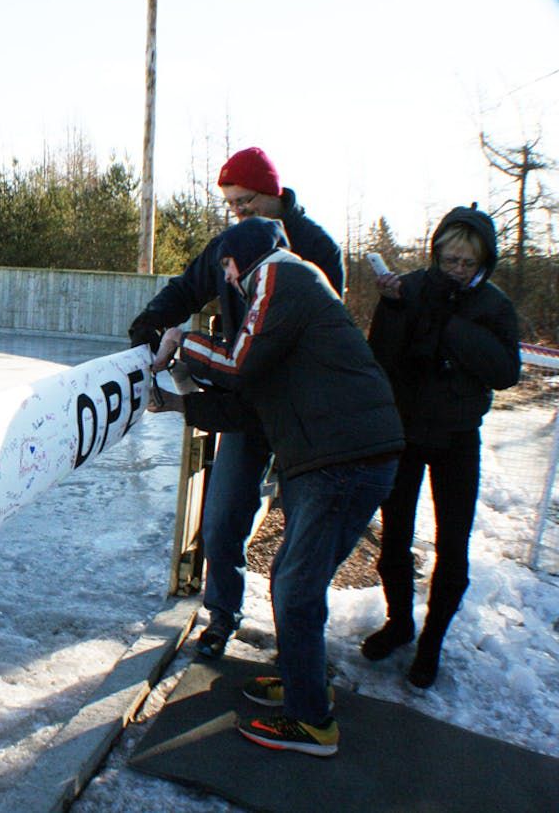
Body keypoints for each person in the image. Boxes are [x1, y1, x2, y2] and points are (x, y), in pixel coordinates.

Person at [148, 217, 403, 756]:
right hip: (346, 457)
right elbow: (246, 401)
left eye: (224, 268)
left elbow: (237, 366)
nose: (225, 280)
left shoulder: (278, 275)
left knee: (294, 587)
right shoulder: (289, 293)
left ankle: (312, 721)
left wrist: (183, 340)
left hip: (341, 460)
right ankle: (299, 678)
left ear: (237, 259)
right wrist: (174, 402)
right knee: (295, 578)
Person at [129, 146, 344, 659]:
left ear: (274, 192)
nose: (239, 212)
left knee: (304, 534)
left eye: (246, 201)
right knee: (222, 518)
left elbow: (318, 333)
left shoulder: (317, 249)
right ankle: (222, 614)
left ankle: (299, 646)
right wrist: (151, 320)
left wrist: (197, 351)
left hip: (301, 415)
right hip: (244, 407)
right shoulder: (230, 243)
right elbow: (188, 287)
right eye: (231, 204)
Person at [361, 205, 520, 688]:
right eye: (449, 260)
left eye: (467, 263)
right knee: (394, 537)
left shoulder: (493, 306)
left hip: (456, 438)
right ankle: (399, 622)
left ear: (484, 263)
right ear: (436, 253)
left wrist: (450, 325)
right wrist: (391, 307)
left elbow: (505, 372)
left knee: (453, 545)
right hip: (406, 433)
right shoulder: (411, 287)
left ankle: (431, 643)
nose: (456, 270)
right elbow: (380, 357)